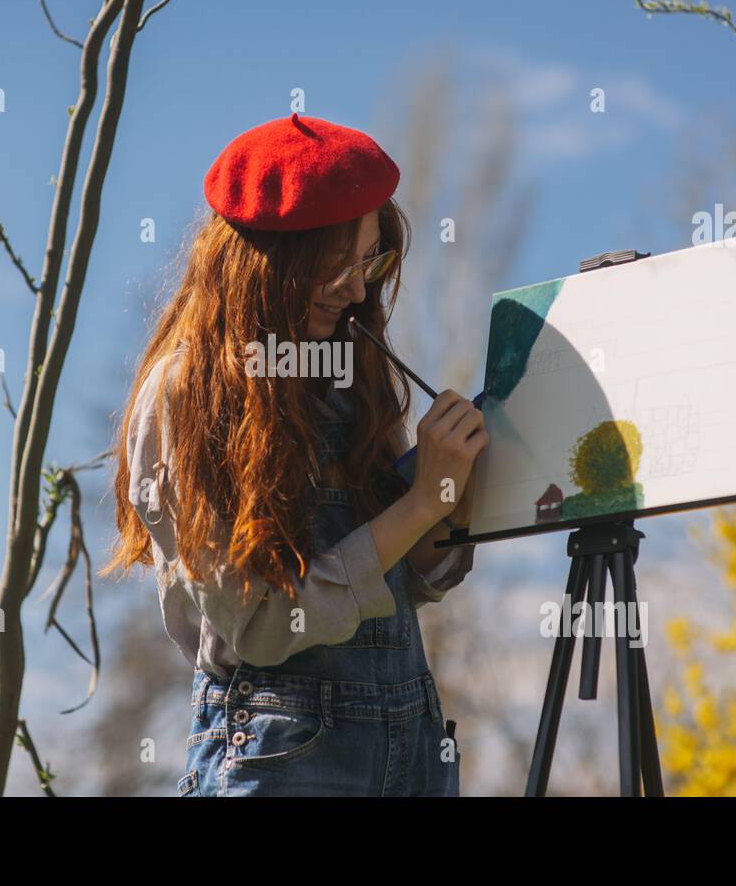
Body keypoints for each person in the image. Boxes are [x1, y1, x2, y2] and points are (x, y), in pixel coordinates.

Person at [108, 113, 488, 796]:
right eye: (335, 264)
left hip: (415, 746)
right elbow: (259, 624)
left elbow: (408, 579)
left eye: (371, 260)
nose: (358, 288)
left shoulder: (353, 375)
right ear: (265, 263)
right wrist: (422, 500)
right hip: (283, 754)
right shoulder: (187, 393)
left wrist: (451, 494)